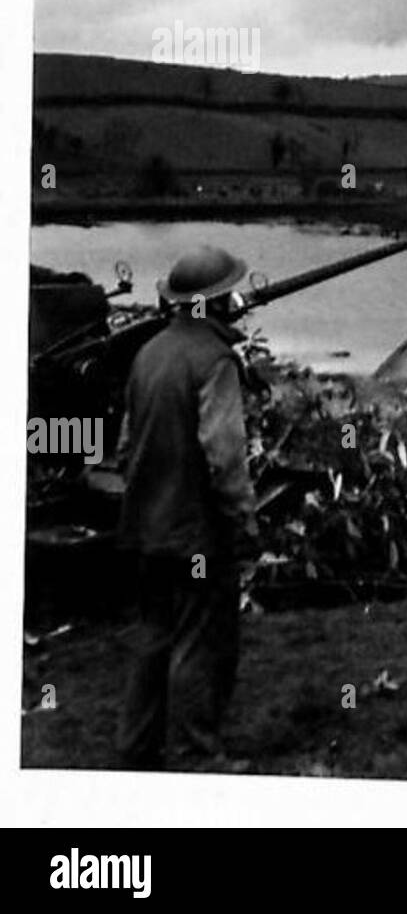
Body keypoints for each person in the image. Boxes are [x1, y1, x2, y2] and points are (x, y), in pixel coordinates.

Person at [115, 245, 259, 770]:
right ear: (218, 303)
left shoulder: (148, 354)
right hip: (196, 534)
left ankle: (137, 748)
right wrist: (244, 522)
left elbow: (125, 449)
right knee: (201, 639)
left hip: (145, 528)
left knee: (153, 634)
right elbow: (224, 455)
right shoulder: (214, 360)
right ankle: (195, 756)